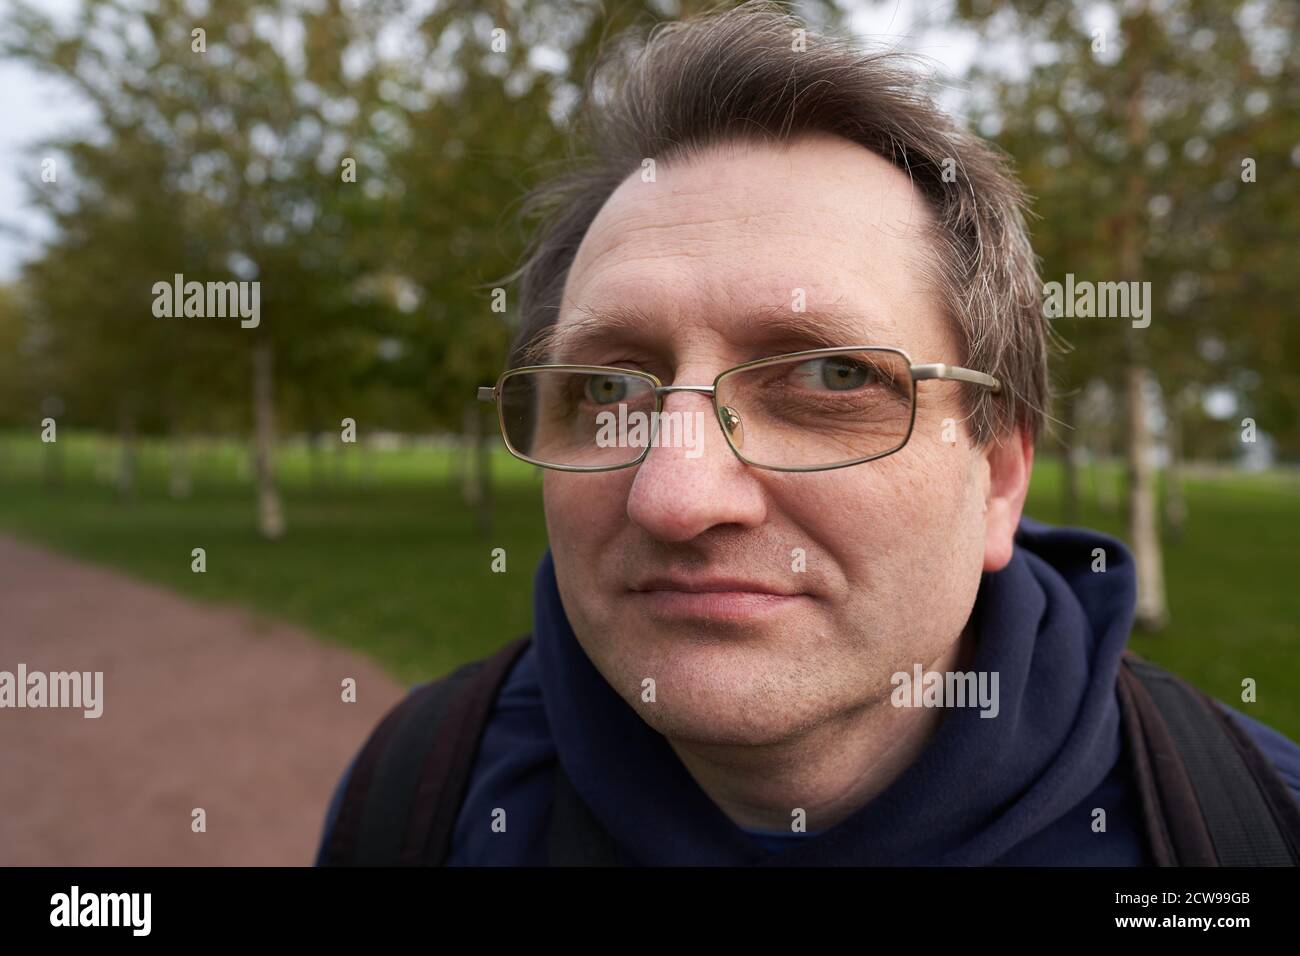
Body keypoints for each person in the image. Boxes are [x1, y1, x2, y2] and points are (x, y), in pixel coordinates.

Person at [317, 1, 1300, 866]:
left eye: (831, 377)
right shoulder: (418, 796)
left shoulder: (1245, 825)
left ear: (999, 475)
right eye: (609, 383)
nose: (676, 493)